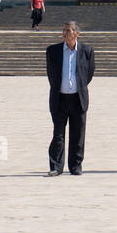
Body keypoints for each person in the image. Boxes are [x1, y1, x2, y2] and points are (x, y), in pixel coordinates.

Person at [46, 21, 95, 176]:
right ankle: (56, 167)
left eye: (69, 30)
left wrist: (77, 86)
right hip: (59, 98)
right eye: (64, 30)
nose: (65, 33)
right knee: (58, 134)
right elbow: (51, 74)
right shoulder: (53, 51)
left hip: (78, 98)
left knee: (78, 134)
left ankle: (75, 166)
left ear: (77, 33)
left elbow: (89, 73)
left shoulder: (87, 51)